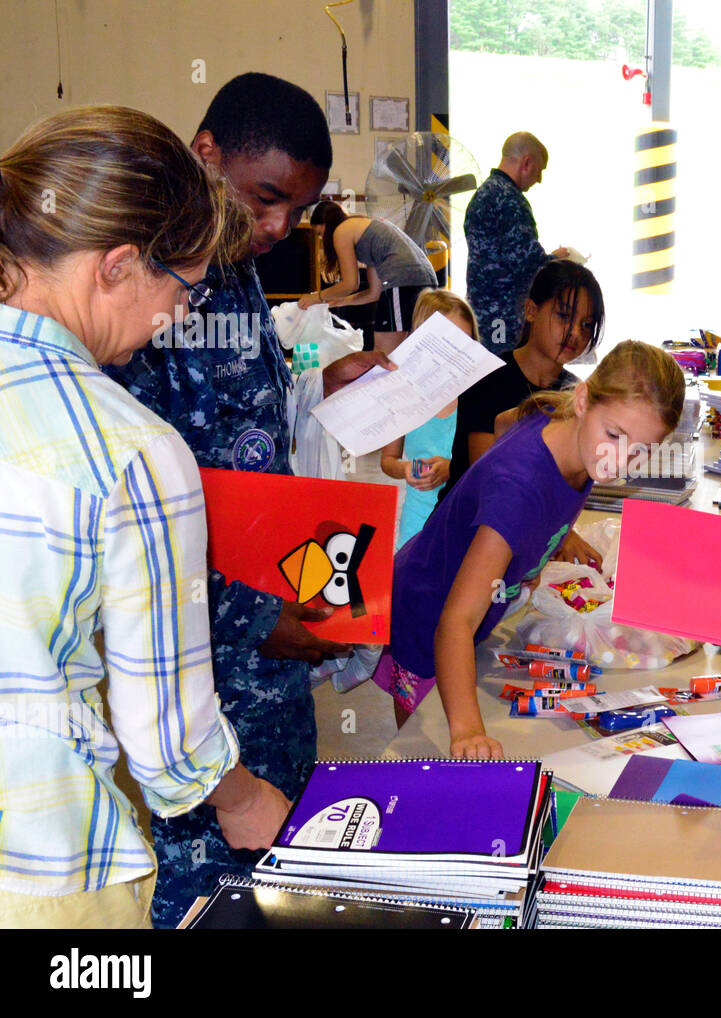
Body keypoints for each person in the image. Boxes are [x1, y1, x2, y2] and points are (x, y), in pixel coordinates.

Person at [105, 73, 391, 929]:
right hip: (199, 688)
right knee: (203, 903)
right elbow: (146, 525)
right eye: (265, 198)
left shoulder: (231, 275)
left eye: (295, 211)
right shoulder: (144, 294)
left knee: (282, 895)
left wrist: (319, 384)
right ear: (205, 155)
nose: (277, 227)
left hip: (270, 667)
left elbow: (246, 442)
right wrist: (260, 621)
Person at [0, 106, 289, 928]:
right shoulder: (129, 449)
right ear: (119, 265)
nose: (182, 318)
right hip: (45, 866)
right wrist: (242, 799)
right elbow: (168, 740)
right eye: (185, 289)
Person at [379, 341, 685, 748]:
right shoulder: (518, 492)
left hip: (468, 605)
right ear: (582, 400)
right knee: (422, 747)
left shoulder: (569, 431)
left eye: (641, 449)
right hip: (424, 616)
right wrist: (468, 730)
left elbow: (507, 422)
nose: (620, 458)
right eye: (614, 435)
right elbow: (455, 621)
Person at [439, 259, 602, 507]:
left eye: (586, 324)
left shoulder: (575, 394)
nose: (576, 333)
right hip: (464, 529)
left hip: (531, 525)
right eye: (564, 316)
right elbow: (489, 484)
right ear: (531, 310)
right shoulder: (487, 378)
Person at [380, 289, 476, 548]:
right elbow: (388, 461)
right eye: (446, 345)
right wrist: (406, 469)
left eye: (463, 344)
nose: (454, 355)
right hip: (417, 523)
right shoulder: (404, 396)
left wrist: (452, 468)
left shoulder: (477, 397)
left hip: (465, 521)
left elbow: (490, 463)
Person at [464, 132, 569, 354]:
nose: (538, 179)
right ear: (527, 163)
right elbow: (528, 263)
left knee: (485, 368)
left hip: (480, 310)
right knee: (502, 371)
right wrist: (558, 258)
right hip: (502, 314)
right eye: (538, 171)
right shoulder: (510, 201)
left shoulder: (482, 194)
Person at [303, 201, 440, 355]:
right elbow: (374, 293)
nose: (322, 239)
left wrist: (317, 297)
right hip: (425, 279)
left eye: (320, 234)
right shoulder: (366, 230)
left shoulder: (341, 231)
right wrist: (341, 301)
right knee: (410, 352)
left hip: (403, 280)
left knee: (384, 355)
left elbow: (350, 284)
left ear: (326, 224)